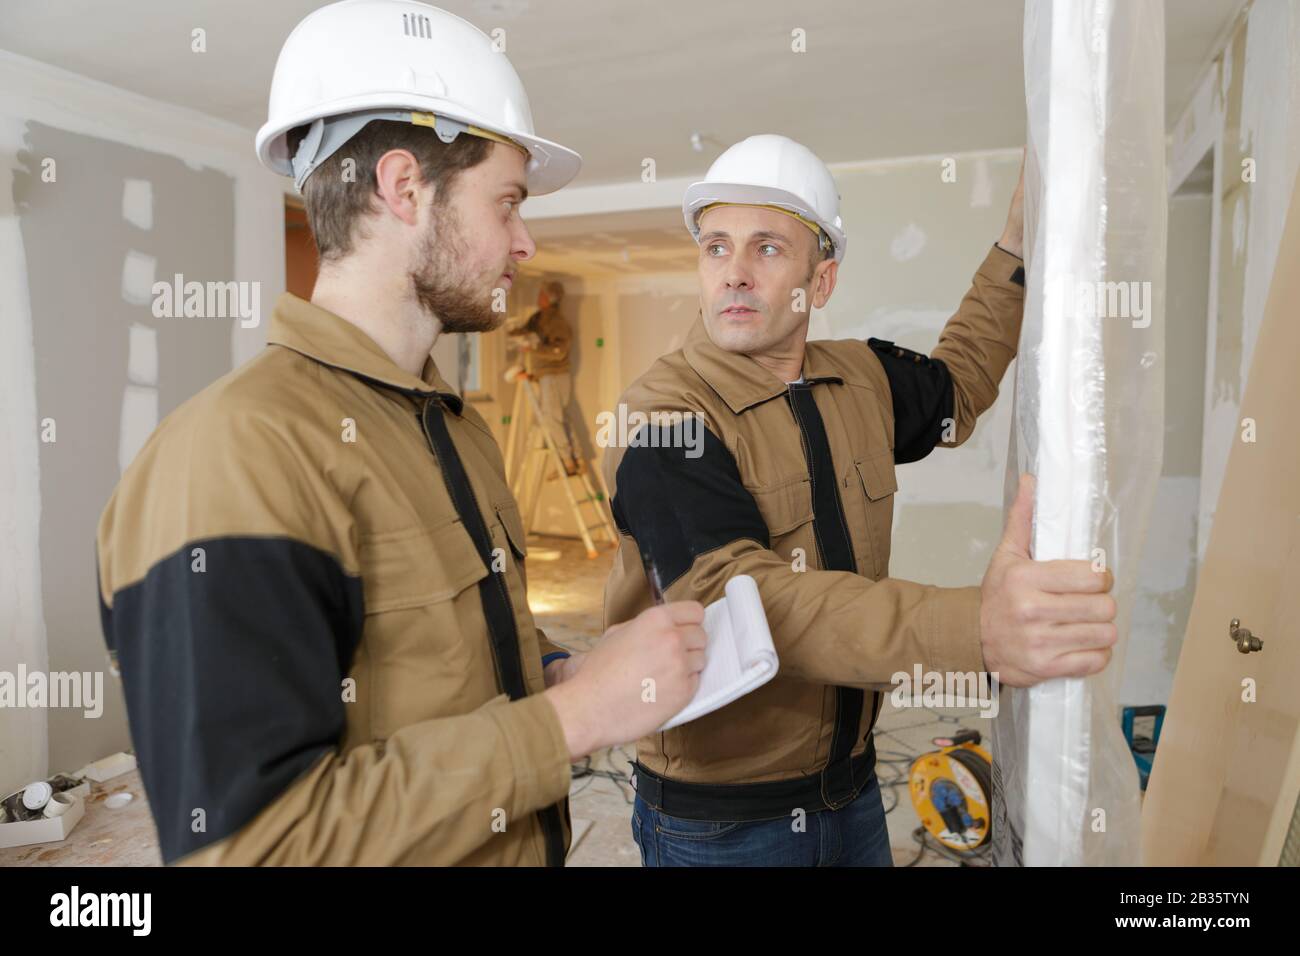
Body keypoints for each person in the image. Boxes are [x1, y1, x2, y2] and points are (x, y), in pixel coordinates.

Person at [94, 0, 705, 866]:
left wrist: (568, 673)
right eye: (508, 203)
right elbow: (250, 846)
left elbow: (450, 665)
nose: (526, 242)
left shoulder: (451, 430)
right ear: (403, 188)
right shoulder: (235, 454)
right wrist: (572, 720)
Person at [595, 135, 1118, 867]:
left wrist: (1015, 247)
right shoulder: (664, 416)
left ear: (824, 278)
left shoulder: (858, 378)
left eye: (768, 248)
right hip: (726, 824)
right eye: (716, 247)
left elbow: (956, 386)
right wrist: (979, 627)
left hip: (853, 789)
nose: (735, 275)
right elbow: (738, 599)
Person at [509, 280, 580, 474]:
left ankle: (568, 461)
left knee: (552, 418)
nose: (538, 298)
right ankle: (576, 460)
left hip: (555, 375)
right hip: (545, 375)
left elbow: (558, 351)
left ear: (551, 299)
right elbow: (524, 331)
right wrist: (507, 329)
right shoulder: (538, 318)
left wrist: (533, 347)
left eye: (542, 295)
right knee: (559, 418)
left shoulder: (557, 322)